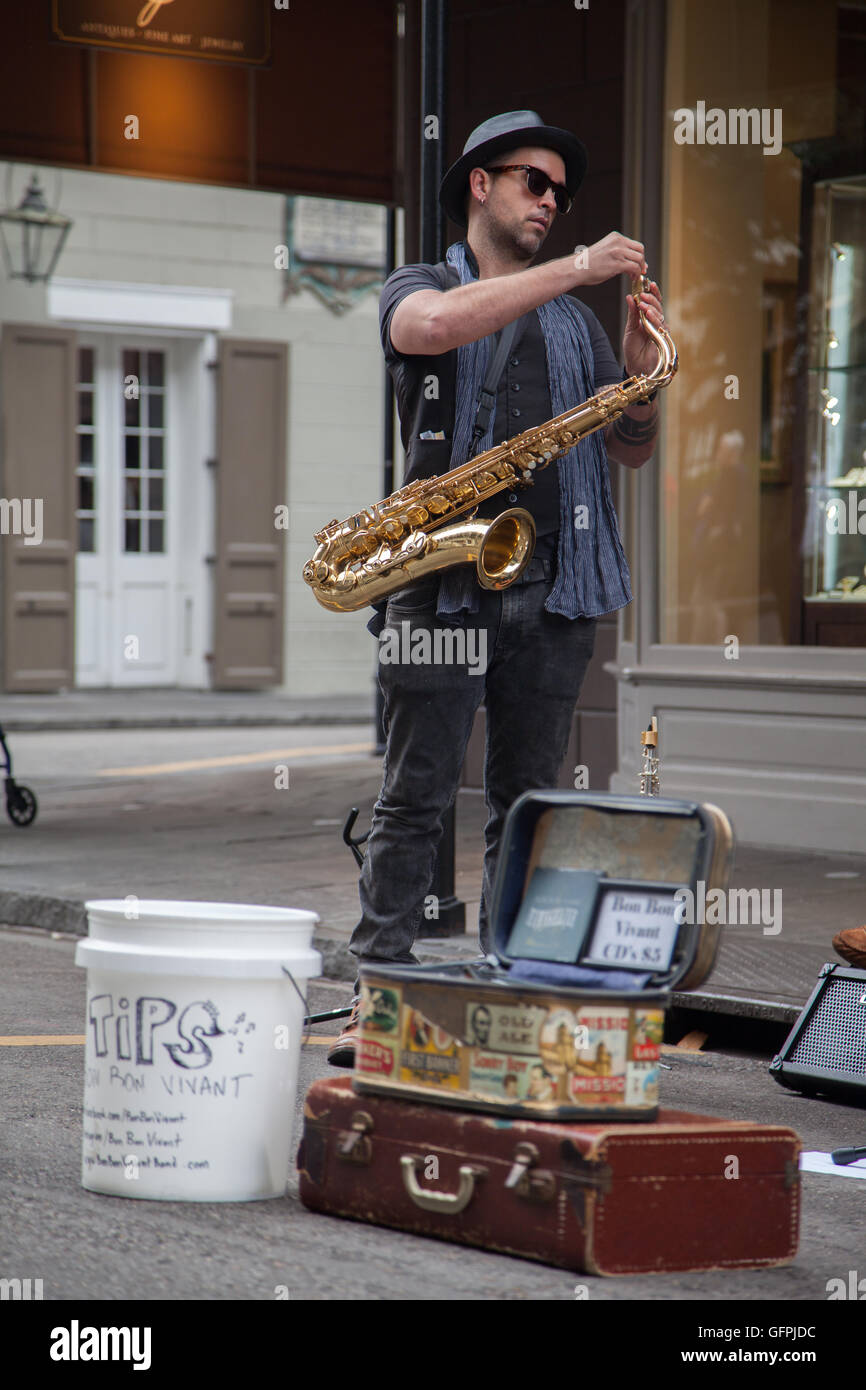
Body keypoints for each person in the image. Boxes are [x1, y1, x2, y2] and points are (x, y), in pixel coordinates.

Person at [329, 110, 665, 1067]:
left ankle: (513, 996)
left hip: (553, 590)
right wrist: (577, 268)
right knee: (413, 797)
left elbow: (630, 453)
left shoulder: (575, 325)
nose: (552, 203)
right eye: (535, 182)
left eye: (561, 193)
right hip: (439, 584)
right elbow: (429, 331)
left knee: (529, 805)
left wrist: (640, 385)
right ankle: (377, 996)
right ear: (481, 183)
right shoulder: (425, 283)